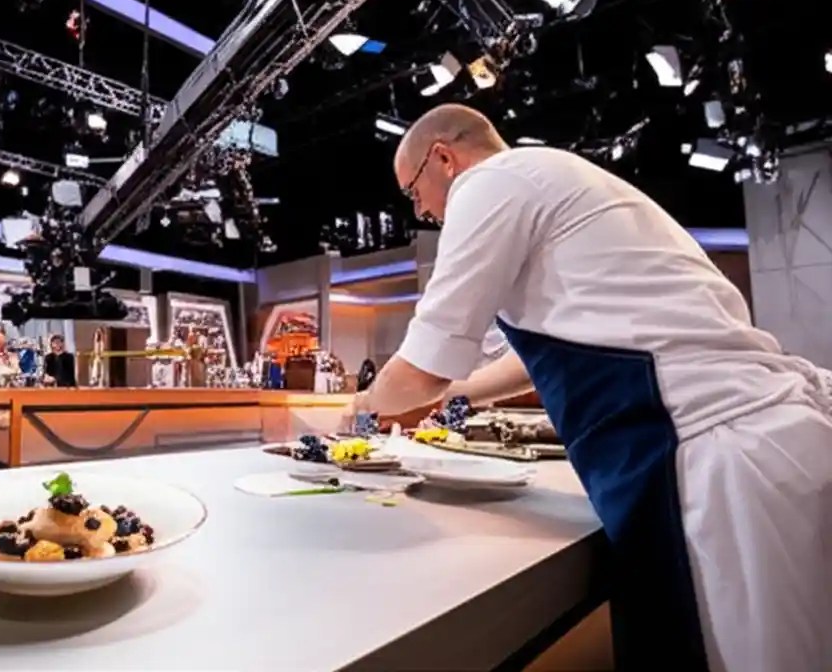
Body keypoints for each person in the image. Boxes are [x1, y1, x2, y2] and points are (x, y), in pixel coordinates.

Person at [350, 103, 832, 671]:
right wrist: (462, 398)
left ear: (444, 158)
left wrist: (361, 405)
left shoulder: (487, 185)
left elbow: (421, 370)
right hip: (771, 441)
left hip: (709, 463)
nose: (423, 211)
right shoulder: (556, 176)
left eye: (414, 192)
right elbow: (551, 354)